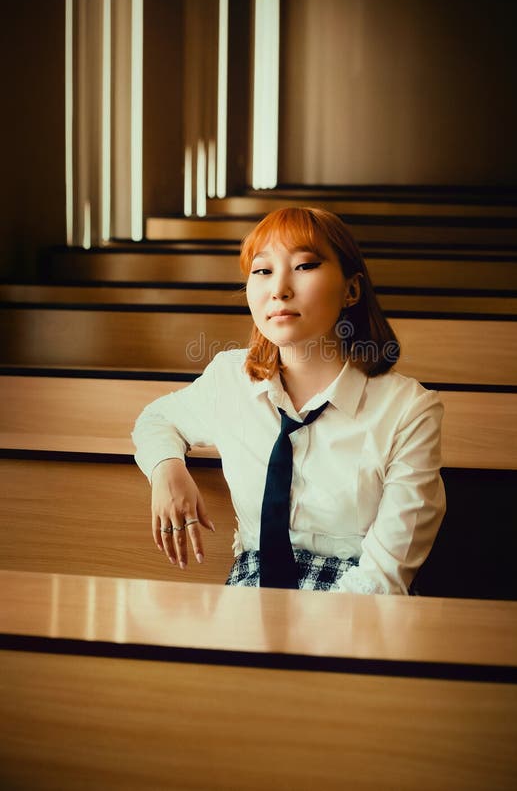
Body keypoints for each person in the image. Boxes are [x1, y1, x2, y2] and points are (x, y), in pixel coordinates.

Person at [132, 206, 445, 594]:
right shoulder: (230, 378)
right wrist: (166, 469)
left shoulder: (409, 410)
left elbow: (383, 577)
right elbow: (156, 418)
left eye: (304, 265)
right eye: (262, 270)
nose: (278, 288)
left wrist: (298, 639)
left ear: (351, 289)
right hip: (250, 588)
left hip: (356, 602)